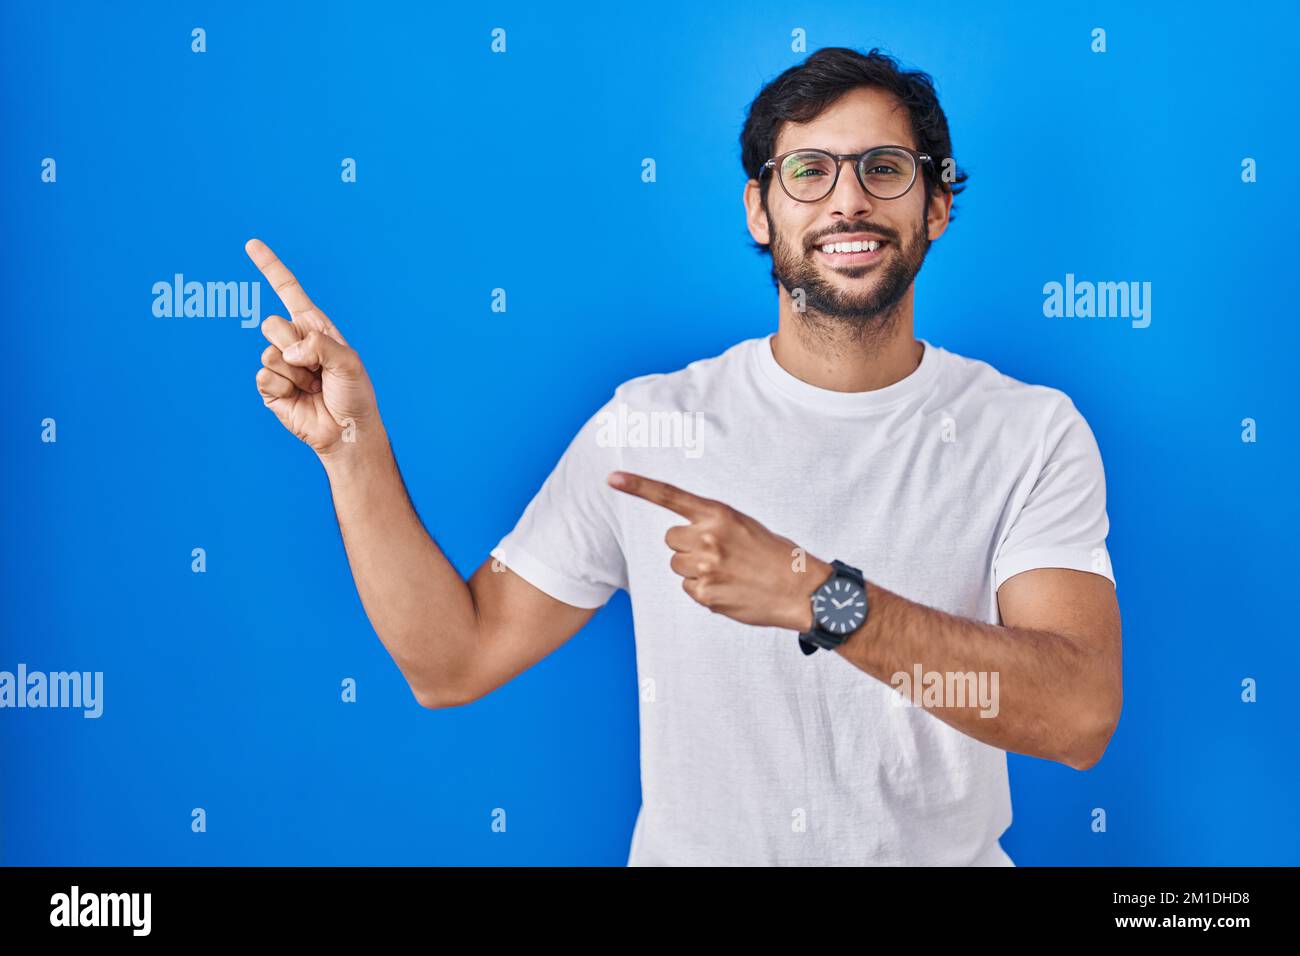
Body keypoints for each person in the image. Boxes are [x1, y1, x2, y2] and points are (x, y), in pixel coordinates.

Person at [246, 46, 1122, 866]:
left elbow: (1080, 715)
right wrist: (350, 447)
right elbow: (453, 662)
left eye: (883, 169)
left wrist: (824, 600)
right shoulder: (652, 428)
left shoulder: (1028, 432)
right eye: (808, 172)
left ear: (935, 203)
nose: (846, 202)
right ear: (759, 208)